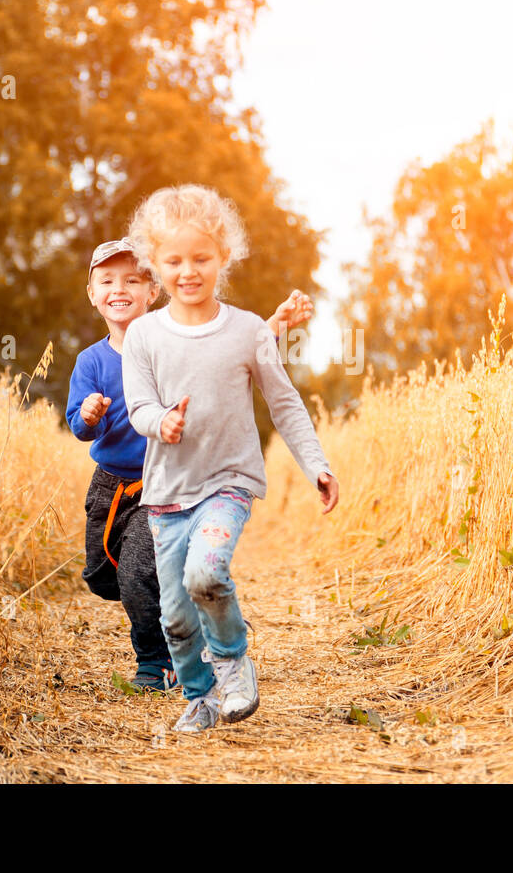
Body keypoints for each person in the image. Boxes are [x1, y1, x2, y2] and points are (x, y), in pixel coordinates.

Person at [120, 185, 340, 732]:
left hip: (227, 482)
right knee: (174, 615)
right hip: (167, 493)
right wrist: (160, 421)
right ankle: (200, 696)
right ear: (154, 264)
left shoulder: (246, 331)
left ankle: (235, 664)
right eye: (173, 260)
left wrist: (316, 463)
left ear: (224, 256)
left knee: (207, 572)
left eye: (201, 258)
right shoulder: (144, 334)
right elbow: (138, 406)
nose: (188, 271)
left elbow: (284, 403)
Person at [66, 238, 314, 693]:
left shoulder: (167, 343)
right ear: (92, 293)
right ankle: (176, 597)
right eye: (107, 281)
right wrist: (86, 417)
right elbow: (77, 428)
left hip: (165, 481)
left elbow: (218, 356)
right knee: (102, 576)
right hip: (109, 484)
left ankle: (157, 661)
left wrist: (271, 328)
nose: (119, 289)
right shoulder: (91, 360)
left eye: (132, 280)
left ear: (152, 291)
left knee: (137, 568)